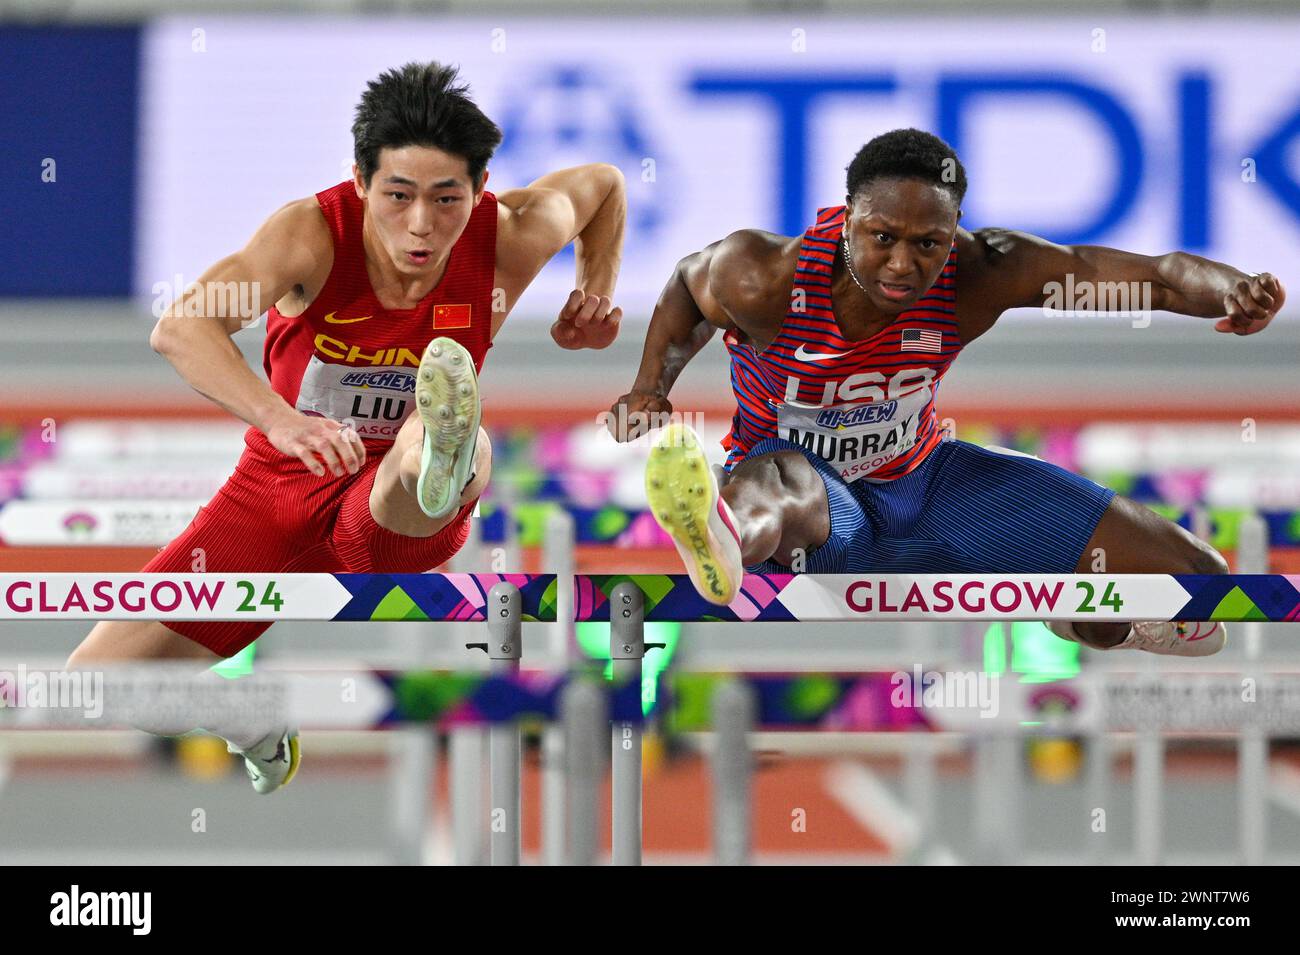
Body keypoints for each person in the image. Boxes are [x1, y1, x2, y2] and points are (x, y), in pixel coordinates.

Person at [67, 61, 625, 793]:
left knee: (437, 446)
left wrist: (595, 291)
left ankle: (446, 451)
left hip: (399, 507)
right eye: (398, 196)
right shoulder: (308, 237)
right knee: (90, 684)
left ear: (480, 188)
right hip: (280, 482)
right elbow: (183, 326)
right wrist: (282, 419)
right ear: (360, 182)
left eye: (446, 199)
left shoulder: (513, 234)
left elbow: (605, 185)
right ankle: (246, 716)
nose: (421, 225)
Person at [609, 128, 1285, 659]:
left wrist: (1229, 290)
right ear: (846, 221)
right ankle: (721, 538)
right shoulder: (761, 276)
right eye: (883, 238)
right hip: (817, 507)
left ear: (955, 229)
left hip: (931, 484)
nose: (904, 264)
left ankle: (1085, 615)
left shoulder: (984, 271)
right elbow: (684, 293)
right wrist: (650, 388)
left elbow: (1157, 278)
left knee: (1200, 581)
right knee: (776, 476)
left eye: (928, 243)